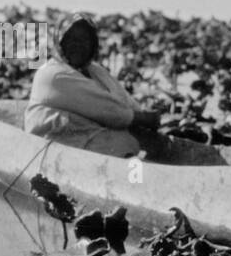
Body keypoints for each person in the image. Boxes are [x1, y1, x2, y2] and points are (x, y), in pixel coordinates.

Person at [25, 13, 161, 157]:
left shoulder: (95, 71)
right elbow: (109, 111)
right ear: (60, 41)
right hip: (53, 154)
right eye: (71, 39)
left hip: (101, 151)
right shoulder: (52, 75)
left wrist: (143, 114)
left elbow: (124, 100)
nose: (78, 45)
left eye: (84, 39)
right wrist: (143, 118)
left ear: (93, 44)